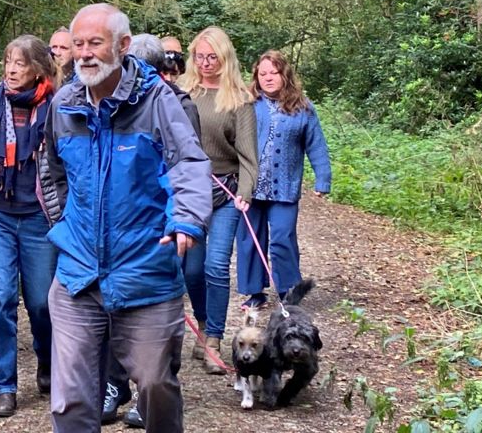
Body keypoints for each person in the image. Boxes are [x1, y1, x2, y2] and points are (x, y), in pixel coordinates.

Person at [46, 4, 212, 433]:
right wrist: (65, 221)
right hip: (78, 275)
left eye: (94, 43)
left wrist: (185, 219)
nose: (83, 53)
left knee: (156, 384)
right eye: (78, 44)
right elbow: (52, 172)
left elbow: (189, 165)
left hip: (146, 271)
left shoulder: (158, 102)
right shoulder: (63, 103)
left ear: (122, 46)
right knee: (71, 397)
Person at [100, 32, 204, 428]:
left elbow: (187, 168)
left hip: (163, 230)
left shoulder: (178, 105)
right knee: (112, 309)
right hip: (116, 232)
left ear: (162, 72)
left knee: (161, 310)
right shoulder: (107, 105)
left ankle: (154, 390)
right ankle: (115, 384)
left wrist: (179, 220)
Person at [0, 34, 61, 418]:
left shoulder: (57, 105)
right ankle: (5, 384)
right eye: (7, 62)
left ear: (38, 68)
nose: (11, 69)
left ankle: (48, 364)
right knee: (0, 297)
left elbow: (70, 159)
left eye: (20, 63)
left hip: (39, 217)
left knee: (40, 302)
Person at [177, 26, 259, 375]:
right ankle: (203, 322)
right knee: (191, 269)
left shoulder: (239, 99)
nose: (206, 63)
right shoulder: (181, 91)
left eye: (213, 57)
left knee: (215, 267)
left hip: (225, 192)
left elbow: (248, 156)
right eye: (200, 56)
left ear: (225, 59)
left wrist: (245, 193)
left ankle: (213, 340)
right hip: (190, 193)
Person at [236, 50, 331, 305]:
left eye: (274, 73)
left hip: (285, 187)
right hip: (251, 186)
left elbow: (316, 144)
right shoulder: (246, 103)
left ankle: (288, 292)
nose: (268, 78)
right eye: (263, 73)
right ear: (256, 76)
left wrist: (323, 179)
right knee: (250, 238)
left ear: (284, 74)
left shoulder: (302, 107)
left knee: (282, 236)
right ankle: (255, 292)